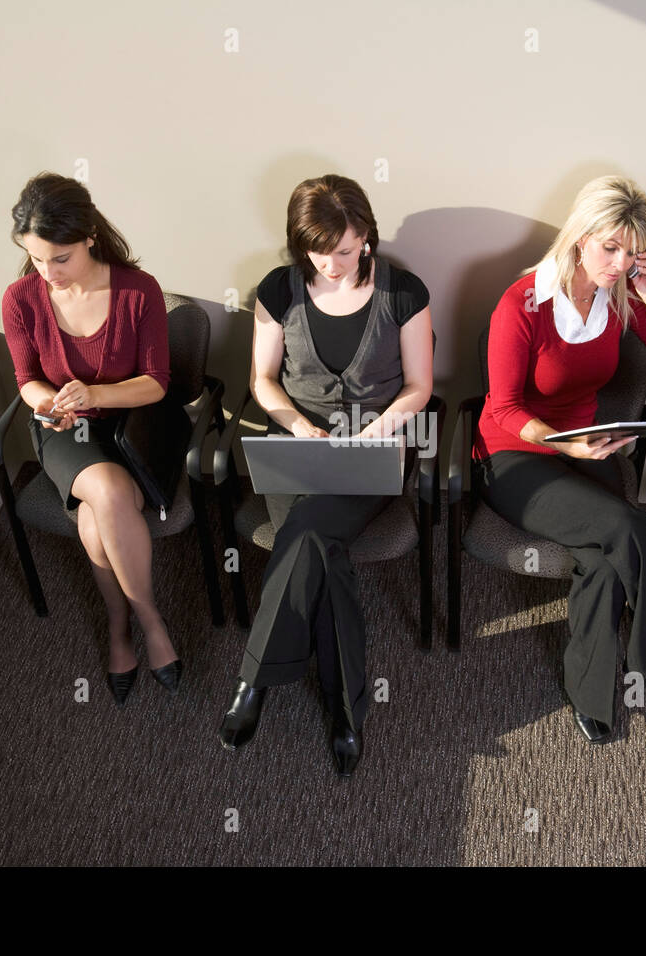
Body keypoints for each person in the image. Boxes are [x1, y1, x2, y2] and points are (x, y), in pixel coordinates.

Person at [474, 175, 646, 743]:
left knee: (602, 558)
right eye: (609, 247)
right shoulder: (521, 302)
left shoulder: (620, 295)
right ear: (580, 236)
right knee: (623, 524)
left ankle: (591, 694)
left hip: (587, 443)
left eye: (632, 251)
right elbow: (501, 409)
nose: (621, 263)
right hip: (517, 455)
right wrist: (561, 442)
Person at [219, 174, 433, 777]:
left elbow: (421, 387)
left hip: (376, 448)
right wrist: (294, 423)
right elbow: (262, 379)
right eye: (320, 252)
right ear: (299, 244)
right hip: (299, 448)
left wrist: (381, 428)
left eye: (345, 249)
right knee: (320, 549)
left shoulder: (404, 293)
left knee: (308, 532)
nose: (333, 264)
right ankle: (347, 711)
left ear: (366, 236)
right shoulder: (278, 290)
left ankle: (255, 680)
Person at [2, 172, 188, 707]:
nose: (47, 272)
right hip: (66, 429)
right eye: (36, 259)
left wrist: (96, 394)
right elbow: (27, 379)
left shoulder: (138, 290)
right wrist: (50, 404)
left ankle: (119, 624)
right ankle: (151, 622)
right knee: (106, 493)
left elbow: (155, 384)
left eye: (59, 258)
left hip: (133, 422)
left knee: (95, 514)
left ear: (88, 236)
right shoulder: (21, 298)